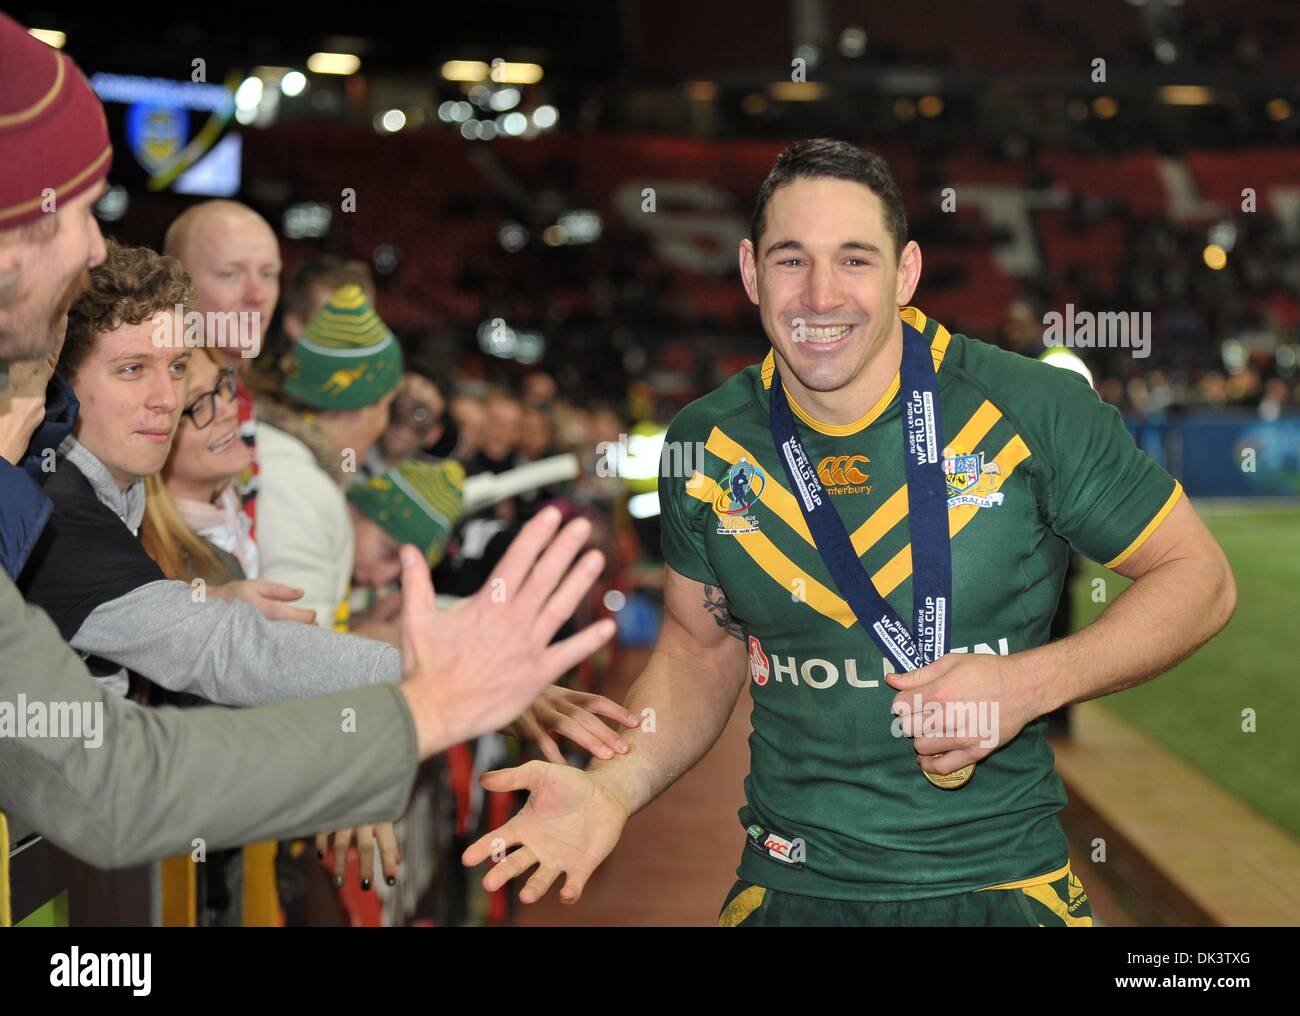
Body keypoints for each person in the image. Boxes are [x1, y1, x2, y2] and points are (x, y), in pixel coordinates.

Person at [462, 138, 1238, 926]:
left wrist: (1026, 685)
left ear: (905, 273)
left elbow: (1198, 578)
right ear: (748, 271)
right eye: (791, 260)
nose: (821, 295)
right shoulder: (705, 443)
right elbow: (698, 652)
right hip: (791, 885)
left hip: (1003, 886)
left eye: (855, 259)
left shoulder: (1031, 409)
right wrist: (612, 786)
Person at [0, 12, 613, 882]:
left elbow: (225, 645)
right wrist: (434, 690)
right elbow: (178, 712)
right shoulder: (62, 503)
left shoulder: (97, 494)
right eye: (134, 369)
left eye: (179, 367)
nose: (171, 397)